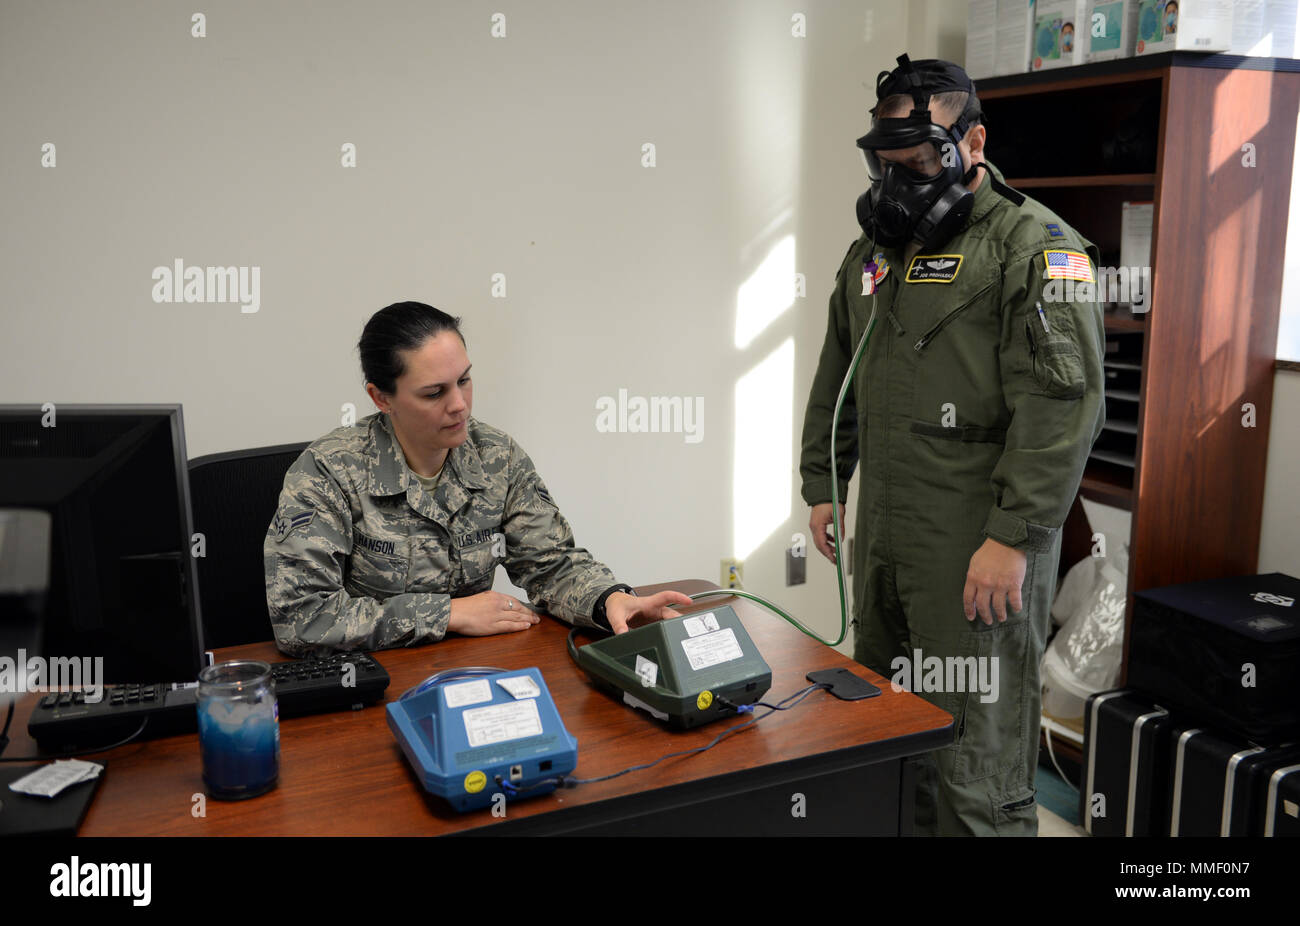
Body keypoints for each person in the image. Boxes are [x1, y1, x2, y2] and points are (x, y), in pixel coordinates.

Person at [799, 55, 1104, 836]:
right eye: (886, 164)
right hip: (888, 539)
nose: (899, 182)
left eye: (920, 161)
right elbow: (842, 366)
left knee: (973, 757)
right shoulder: (876, 253)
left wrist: (1015, 537)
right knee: (890, 733)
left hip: (978, 544)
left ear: (973, 143)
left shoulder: (1035, 249)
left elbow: (1062, 406)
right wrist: (824, 481)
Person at [264, 301, 689, 657]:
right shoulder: (328, 472)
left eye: (464, 381)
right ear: (381, 397)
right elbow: (301, 618)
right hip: (375, 683)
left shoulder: (496, 456)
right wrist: (449, 614)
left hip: (474, 668)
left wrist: (608, 599)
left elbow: (550, 564)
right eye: (434, 393)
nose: (460, 406)